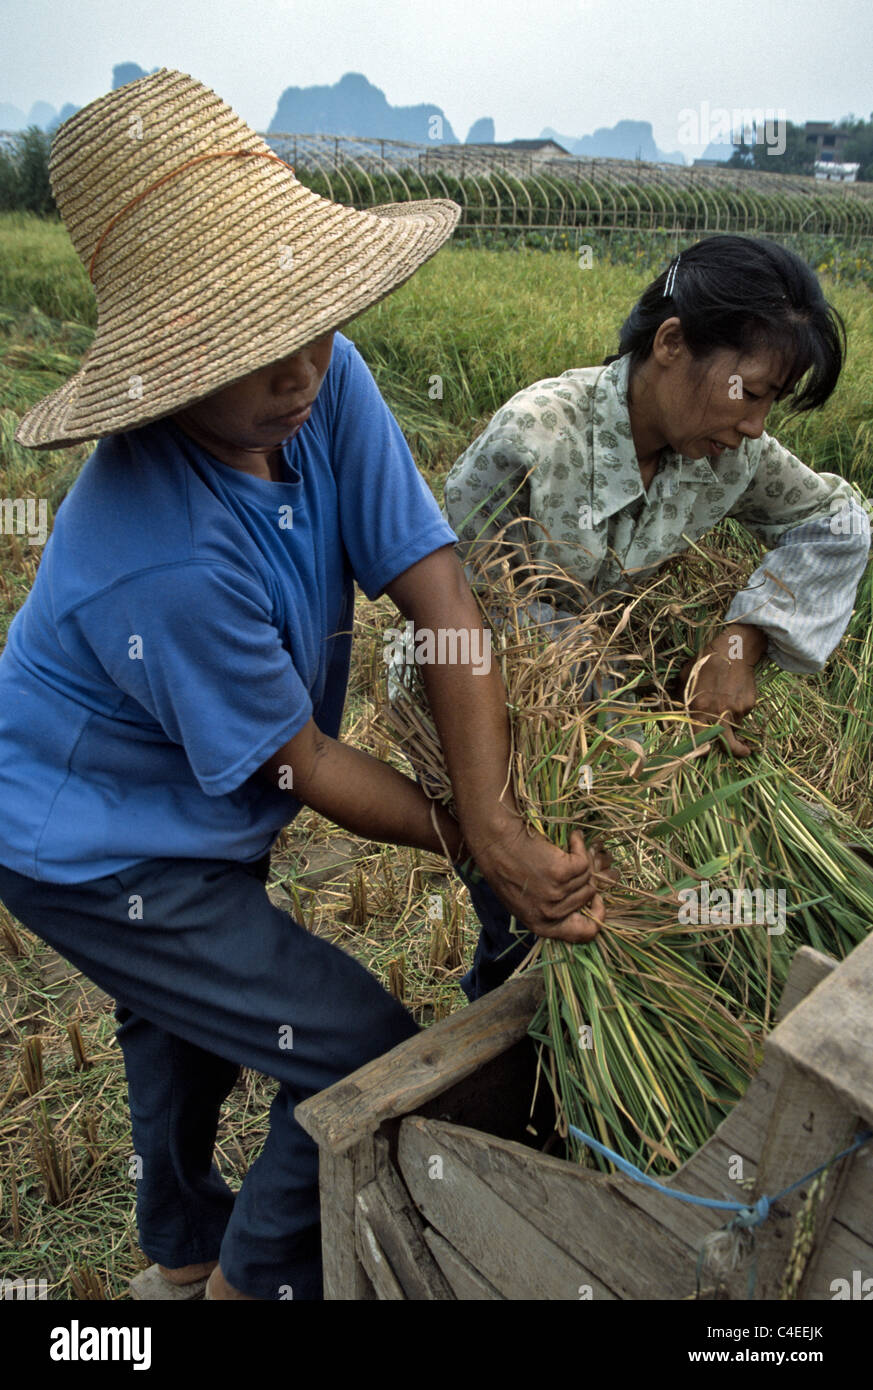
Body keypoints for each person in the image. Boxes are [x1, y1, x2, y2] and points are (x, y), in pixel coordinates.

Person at [0, 68, 612, 1302]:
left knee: (182, 1023)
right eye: (251, 350)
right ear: (166, 371)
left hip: (189, 798)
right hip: (94, 845)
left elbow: (438, 594)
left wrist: (491, 816)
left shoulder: (326, 387)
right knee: (345, 1050)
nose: (300, 368)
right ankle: (243, 1285)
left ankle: (176, 1255)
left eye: (311, 321)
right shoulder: (159, 549)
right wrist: (473, 841)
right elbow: (306, 764)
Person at [442, 234, 871, 991]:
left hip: (617, 729)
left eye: (771, 401)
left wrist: (742, 641)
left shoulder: (730, 457)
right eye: (752, 391)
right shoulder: (535, 436)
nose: (755, 425)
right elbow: (458, 618)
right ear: (671, 342)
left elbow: (837, 521)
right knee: (528, 929)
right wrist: (603, 754)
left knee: (638, 924)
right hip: (504, 738)